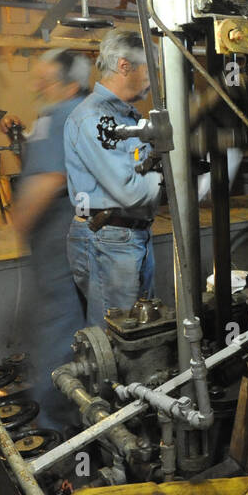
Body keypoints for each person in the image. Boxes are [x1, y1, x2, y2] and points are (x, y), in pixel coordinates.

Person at [0, 48, 90, 432]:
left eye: (45, 80)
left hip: (58, 249)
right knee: (90, 331)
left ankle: (57, 430)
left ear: (69, 84)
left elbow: (49, 179)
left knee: (58, 333)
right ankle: (91, 420)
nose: (38, 86)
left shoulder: (59, 116)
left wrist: (17, 225)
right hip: (91, 247)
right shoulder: (93, 113)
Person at [64, 28, 163, 327]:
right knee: (117, 337)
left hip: (129, 235)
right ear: (124, 66)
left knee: (139, 331)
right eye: (151, 68)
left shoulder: (125, 116)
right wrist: (172, 179)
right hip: (109, 238)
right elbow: (130, 191)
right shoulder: (94, 118)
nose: (154, 77)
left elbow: (142, 168)